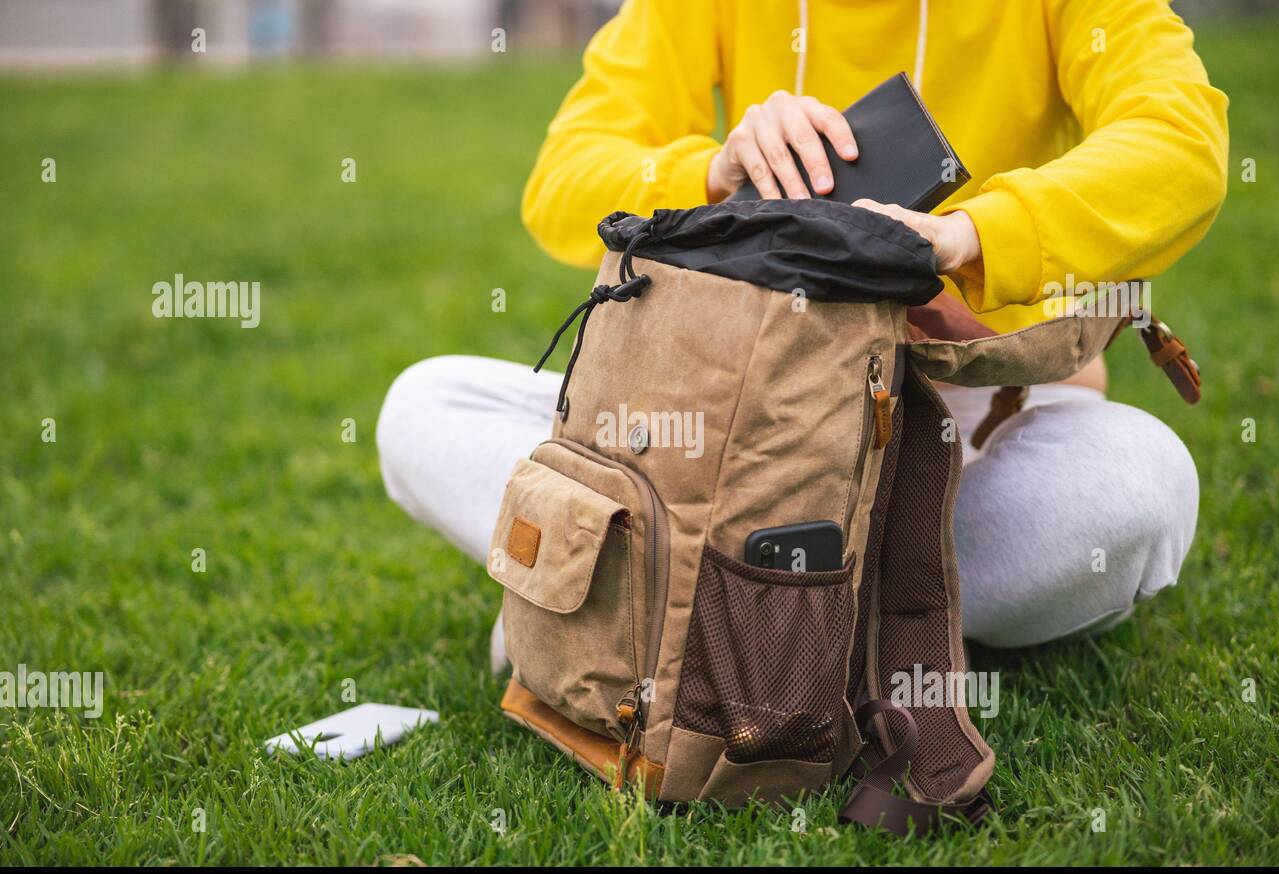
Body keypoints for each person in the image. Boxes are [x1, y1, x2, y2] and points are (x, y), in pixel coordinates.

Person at [377, 0, 1228, 669]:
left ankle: (658, 599)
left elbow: (1182, 141)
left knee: (1141, 488)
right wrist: (713, 175)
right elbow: (563, 178)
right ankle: (827, 614)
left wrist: (970, 236)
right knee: (423, 406)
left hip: (974, 418)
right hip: (741, 416)